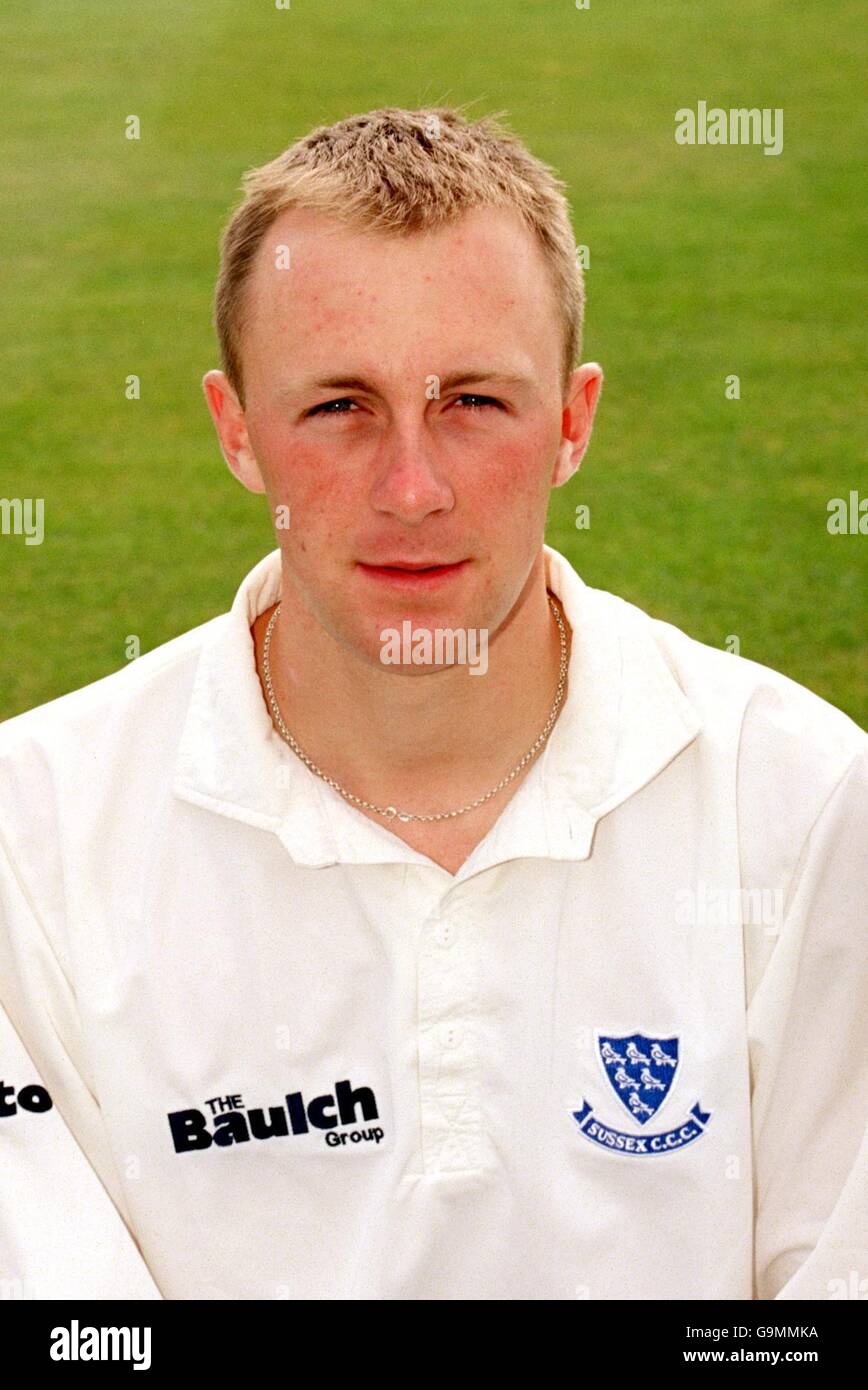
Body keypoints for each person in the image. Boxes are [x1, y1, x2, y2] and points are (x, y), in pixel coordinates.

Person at [0, 106, 865, 1301]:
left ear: (573, 421)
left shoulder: (805, 802)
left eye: (472, 402)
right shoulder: (29, 839)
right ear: (236, 430)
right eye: (340, 407)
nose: (411, 488)